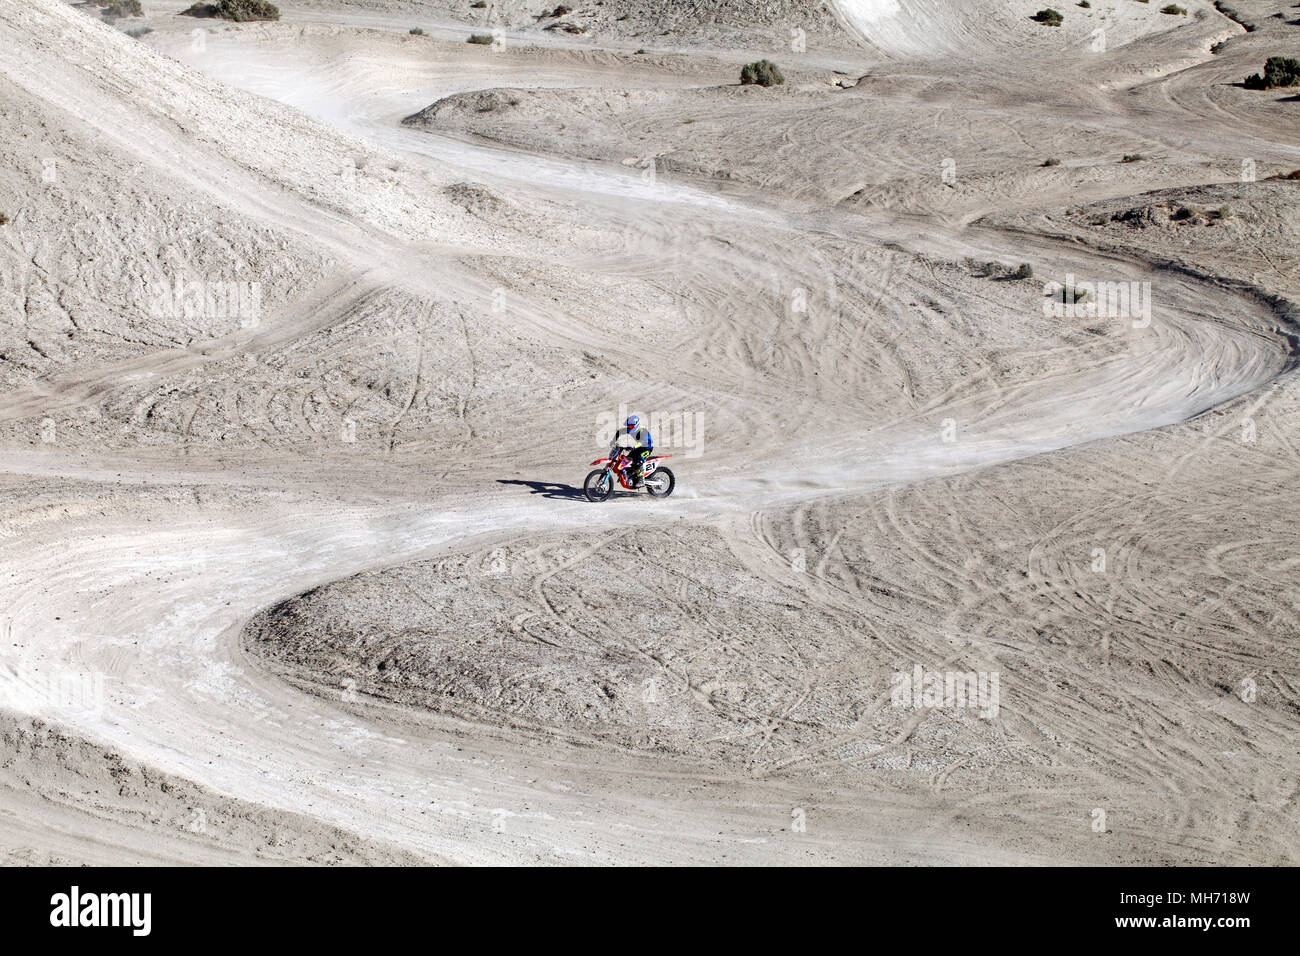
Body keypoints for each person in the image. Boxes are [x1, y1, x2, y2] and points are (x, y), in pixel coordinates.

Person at [609, 415, 653, 487]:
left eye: (631, 427)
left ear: (636, 425)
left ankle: (641, 480)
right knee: (627, 460)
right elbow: (619, 432)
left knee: (638, 462)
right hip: (638, 447)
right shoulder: (631, 429)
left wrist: (634, 447)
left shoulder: (643, 431)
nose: (629, 428)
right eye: (629, 426)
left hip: (647, 448)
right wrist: (613, 441)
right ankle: (631, 475)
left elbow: (643, 442)